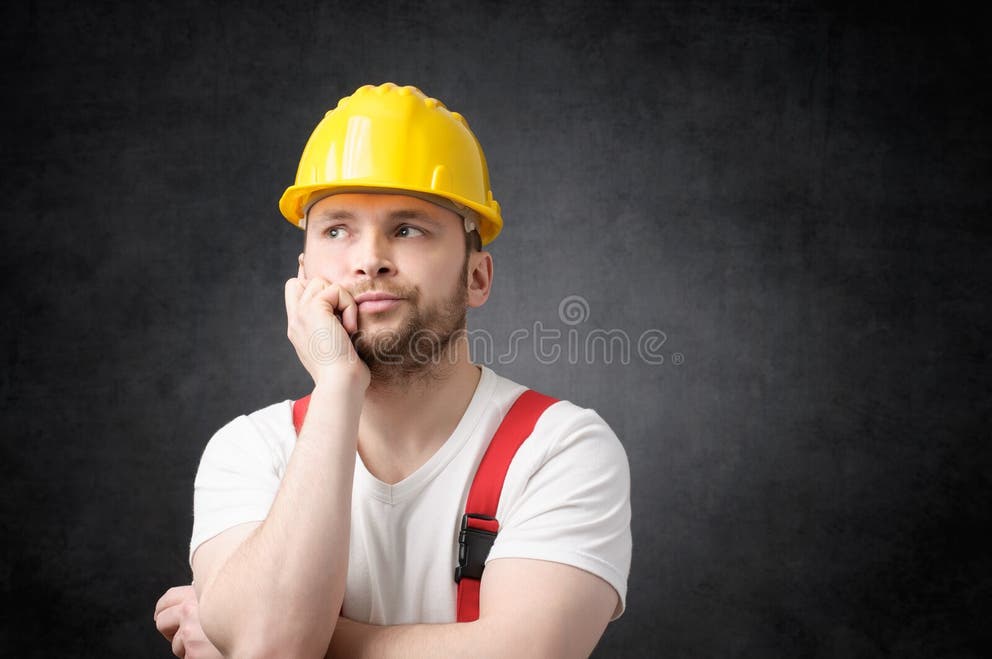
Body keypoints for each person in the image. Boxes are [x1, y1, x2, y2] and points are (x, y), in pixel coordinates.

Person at [154, 83, 631, 658]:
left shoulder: (560, 447)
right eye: (337, 229)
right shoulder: (250, 452)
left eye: (408, 228)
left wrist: (276, 635)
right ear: (304, 277)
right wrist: (337, 385)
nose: (369, 258)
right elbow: (272, 647)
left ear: (476, 277)